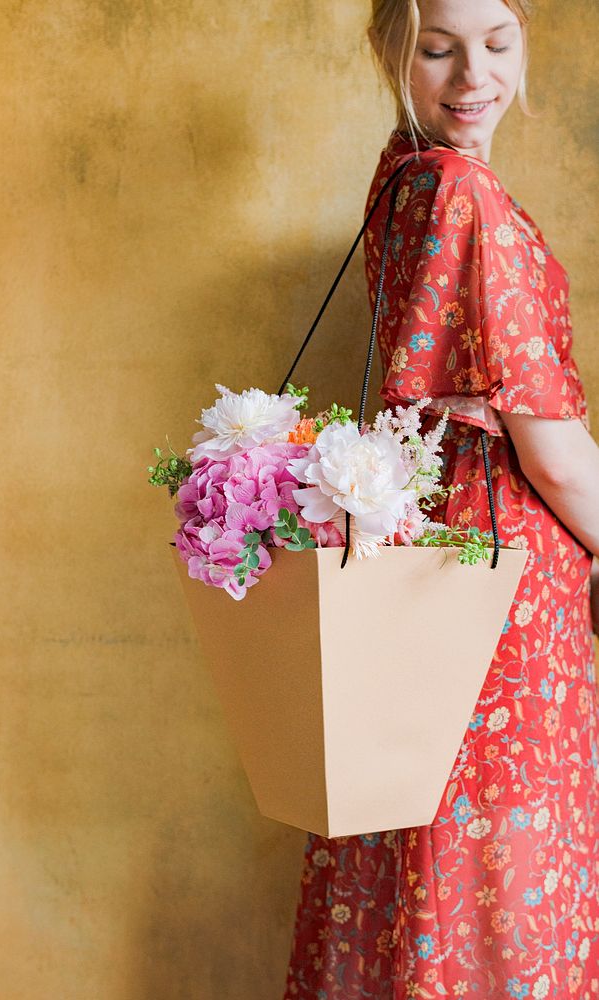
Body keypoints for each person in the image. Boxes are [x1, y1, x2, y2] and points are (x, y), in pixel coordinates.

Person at [281, 1, 599, 997]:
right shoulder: (462, 189)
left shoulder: (400, 176)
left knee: (426, 867)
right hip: (504, 586)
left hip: (440, 554)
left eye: (498, 45)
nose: (474, 77)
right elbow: (552, 454)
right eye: (438, 47)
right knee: (501, 885)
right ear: (391, 50)